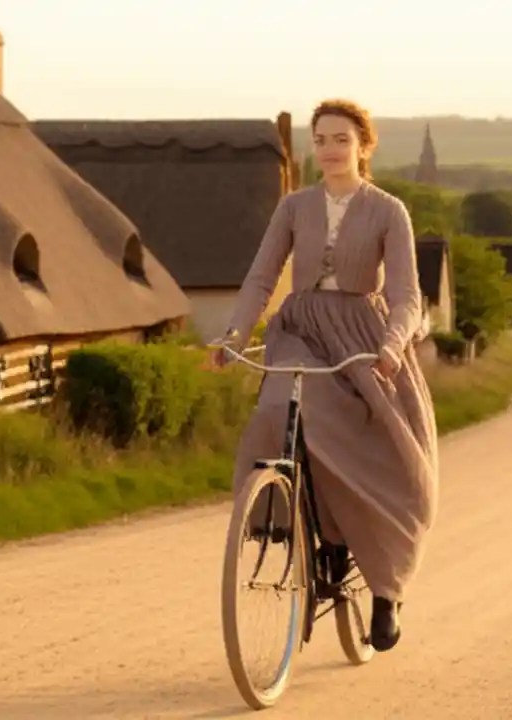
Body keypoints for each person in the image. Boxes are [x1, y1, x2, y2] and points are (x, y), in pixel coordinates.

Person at [209, 98, 439, 652]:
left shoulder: (388, 212)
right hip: (301, 328)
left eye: (341, 139)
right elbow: (262, 277)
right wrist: (235, 335)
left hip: (364, 335)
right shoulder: (294, 207)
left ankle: (385, 590)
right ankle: (279, 517)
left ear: (363, 146)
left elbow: (407, 293)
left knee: (388, 458)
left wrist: (391, 343)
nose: (330, 150)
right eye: (321, 140)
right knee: (281, 403)